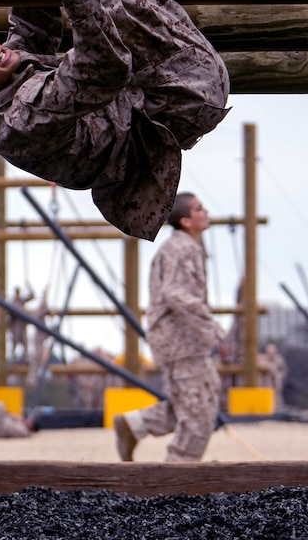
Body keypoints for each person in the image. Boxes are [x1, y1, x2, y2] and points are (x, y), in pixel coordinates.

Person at [0, 0, 230, 241]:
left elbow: (31, 36)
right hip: (184, 90)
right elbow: (102, 69)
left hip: (159, 91)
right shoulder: (20, 121)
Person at [112, 193, 223, 463]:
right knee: (199, 411)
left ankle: (135, 425)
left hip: (179, 340)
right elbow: (175, 293)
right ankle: (179, 472)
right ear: (186, 221)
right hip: (182, 341)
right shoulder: (183, 248)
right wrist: (210, 326)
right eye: (199, 209)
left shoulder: (181, 247)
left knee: (193, 401)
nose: (206, 212)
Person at [7, 286, 34, 361]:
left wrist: (28, 285)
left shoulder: (21, 301)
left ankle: (26, 358)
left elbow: (31, 296)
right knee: (14, 342)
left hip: (22, 326)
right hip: (15, 327)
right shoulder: (12, 302)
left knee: (25, 343)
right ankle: (13, 357)